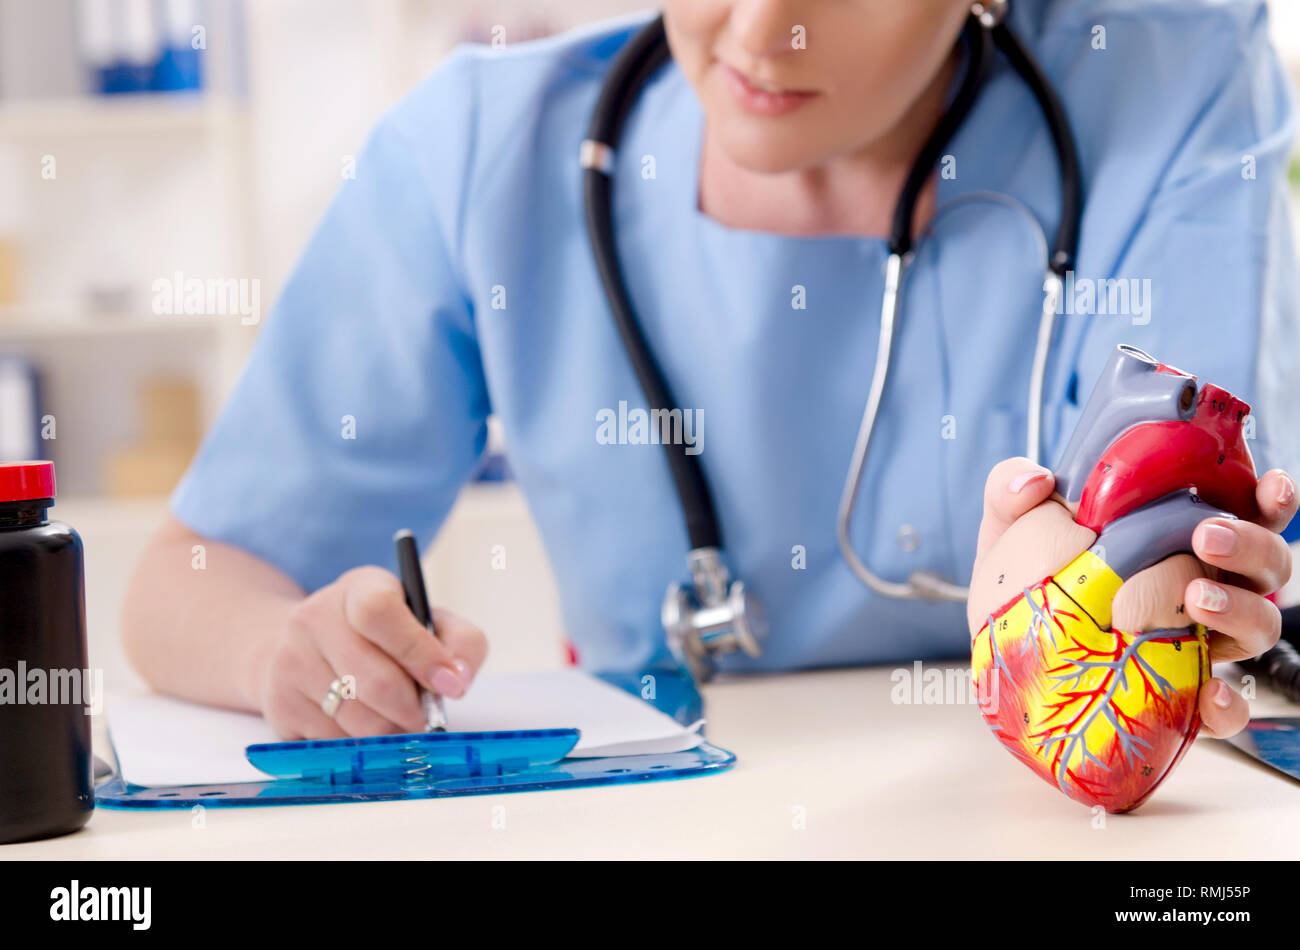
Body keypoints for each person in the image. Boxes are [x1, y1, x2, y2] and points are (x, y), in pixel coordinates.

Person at [123, 0, 1298, 742]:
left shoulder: (1174, 80)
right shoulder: (479, 152)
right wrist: (286, 652)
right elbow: (189, 578)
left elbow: (1169, 547)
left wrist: (1178, 590)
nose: (756, 29)